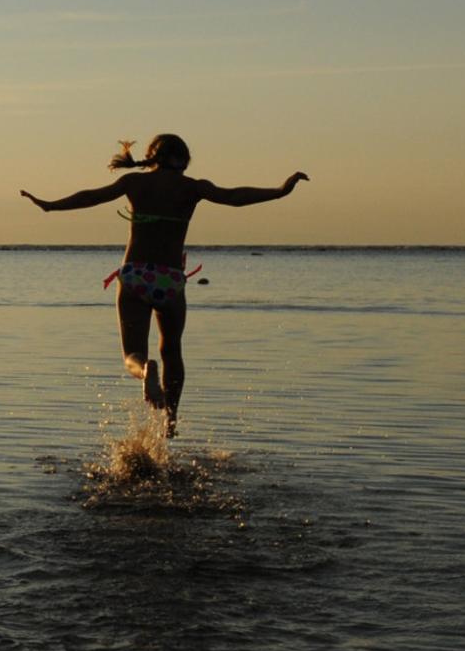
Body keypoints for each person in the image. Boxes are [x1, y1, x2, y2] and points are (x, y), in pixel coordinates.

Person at [20, 134, 307, 435]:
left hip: (135, 275)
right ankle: (170, 419)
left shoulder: (134, 183)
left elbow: (90, 196)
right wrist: (279, 191)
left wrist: (51, 205)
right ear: (184, 160)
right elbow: (235, 196)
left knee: (132, 355)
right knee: (172, 351)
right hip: (169, 279)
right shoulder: (195, 187)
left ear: (152, 157)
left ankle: (145, 371)